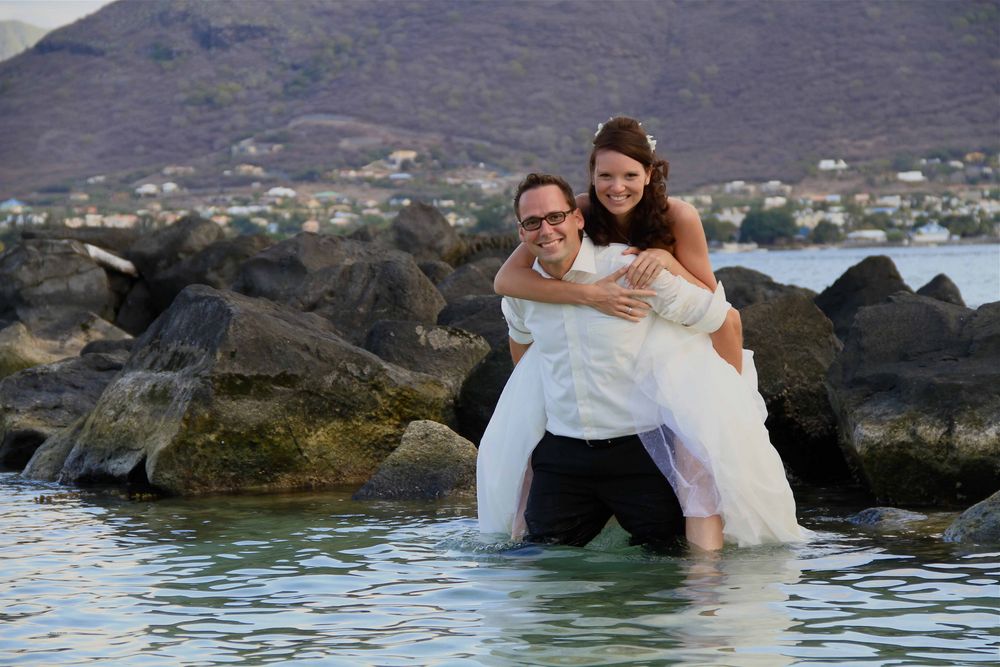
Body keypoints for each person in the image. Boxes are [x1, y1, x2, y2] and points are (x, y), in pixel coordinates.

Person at [476, 173, 808, 550]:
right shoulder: (524, 292)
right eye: (532, 223)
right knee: (537, 566)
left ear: (578, 218)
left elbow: (721, 319)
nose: (546, 230)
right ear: (521, 233)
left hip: (640, 452)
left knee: (668, 566)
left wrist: (731, 411)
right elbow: (521, 346)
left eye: (555, 217)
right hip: (564, 455)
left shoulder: (631, 269)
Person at [494, 115, 744, 373]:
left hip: (679, 340)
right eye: (606, 175)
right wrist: (591, 296)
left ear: (647, 174)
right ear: (592, 175)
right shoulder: (577, 212)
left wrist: (666, 260)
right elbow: (506, 280)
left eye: (630, 175)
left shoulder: (679, 217)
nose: (617, 187)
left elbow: (714, 303)